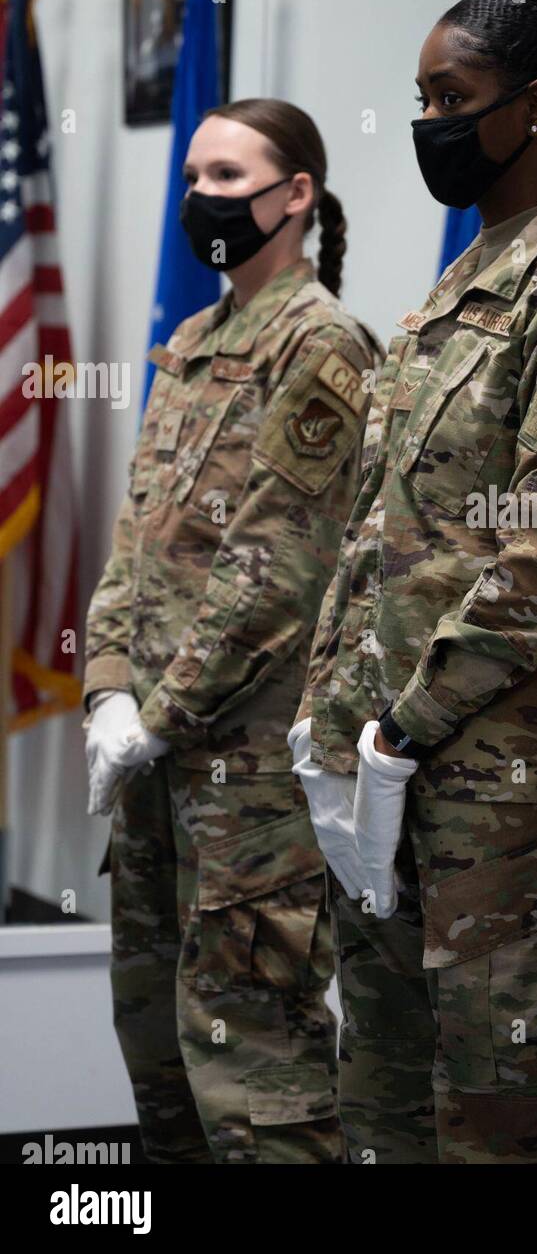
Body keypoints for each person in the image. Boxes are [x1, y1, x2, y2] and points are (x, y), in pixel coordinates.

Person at [289, 0, 537, 1164]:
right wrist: (330, 719)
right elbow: (375, 537)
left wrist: (403, 733)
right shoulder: (458, 290)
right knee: (385, 1099)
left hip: (499, 794)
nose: (428, 123)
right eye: (421, 99)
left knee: (503, 1115)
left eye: (450, 99)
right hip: (385, 781)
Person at [83, 99, 384, 1164]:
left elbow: (276, 575)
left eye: (227, 176)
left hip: (247, 781)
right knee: (155, 1052)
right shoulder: (197, 342)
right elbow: (137, 537)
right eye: (196, 176)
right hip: (156, 766)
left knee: (255, 1076)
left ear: (294, 195)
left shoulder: (322, 347)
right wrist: (108, 688)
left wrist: (155, 718)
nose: (202, 196)